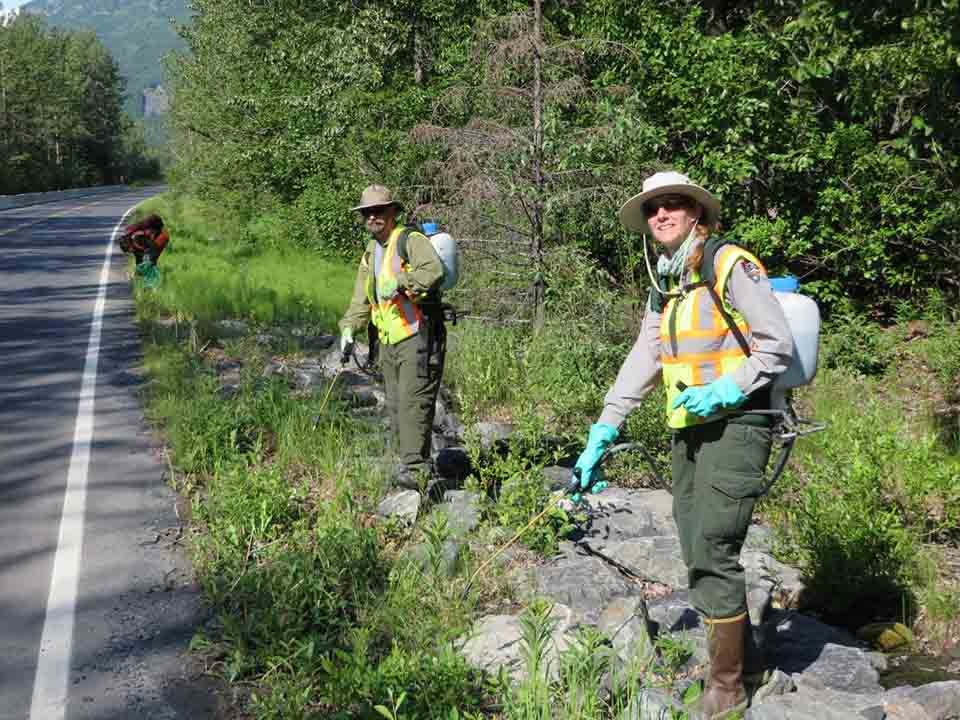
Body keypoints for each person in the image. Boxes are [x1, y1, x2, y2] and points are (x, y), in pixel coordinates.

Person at [574, 171, 794, 719]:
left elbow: (778, 345)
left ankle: (727, 691)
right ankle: (748, 664)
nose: (661, 216)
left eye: (673, 205)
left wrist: (726, 387)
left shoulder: (729, 264)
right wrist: (606, 426)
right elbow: (645, 358)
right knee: (695, 544)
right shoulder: (666, 282)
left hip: (740, 421)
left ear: (697, 212)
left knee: (714, 546)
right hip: (689, 430)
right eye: (653, 210)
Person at [338, 185, 446, 490]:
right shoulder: (371, 252)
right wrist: (348, 328)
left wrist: (401, 283)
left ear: (392, 213)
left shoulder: (409, 240)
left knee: (414, 403)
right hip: (388, 341)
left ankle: (416, 475)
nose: (372, 217)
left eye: (379, 211)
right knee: (397, 406)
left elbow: (433, 270)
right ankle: (409, 470)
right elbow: (362, 299)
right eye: (367, 213)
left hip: (418, 337)